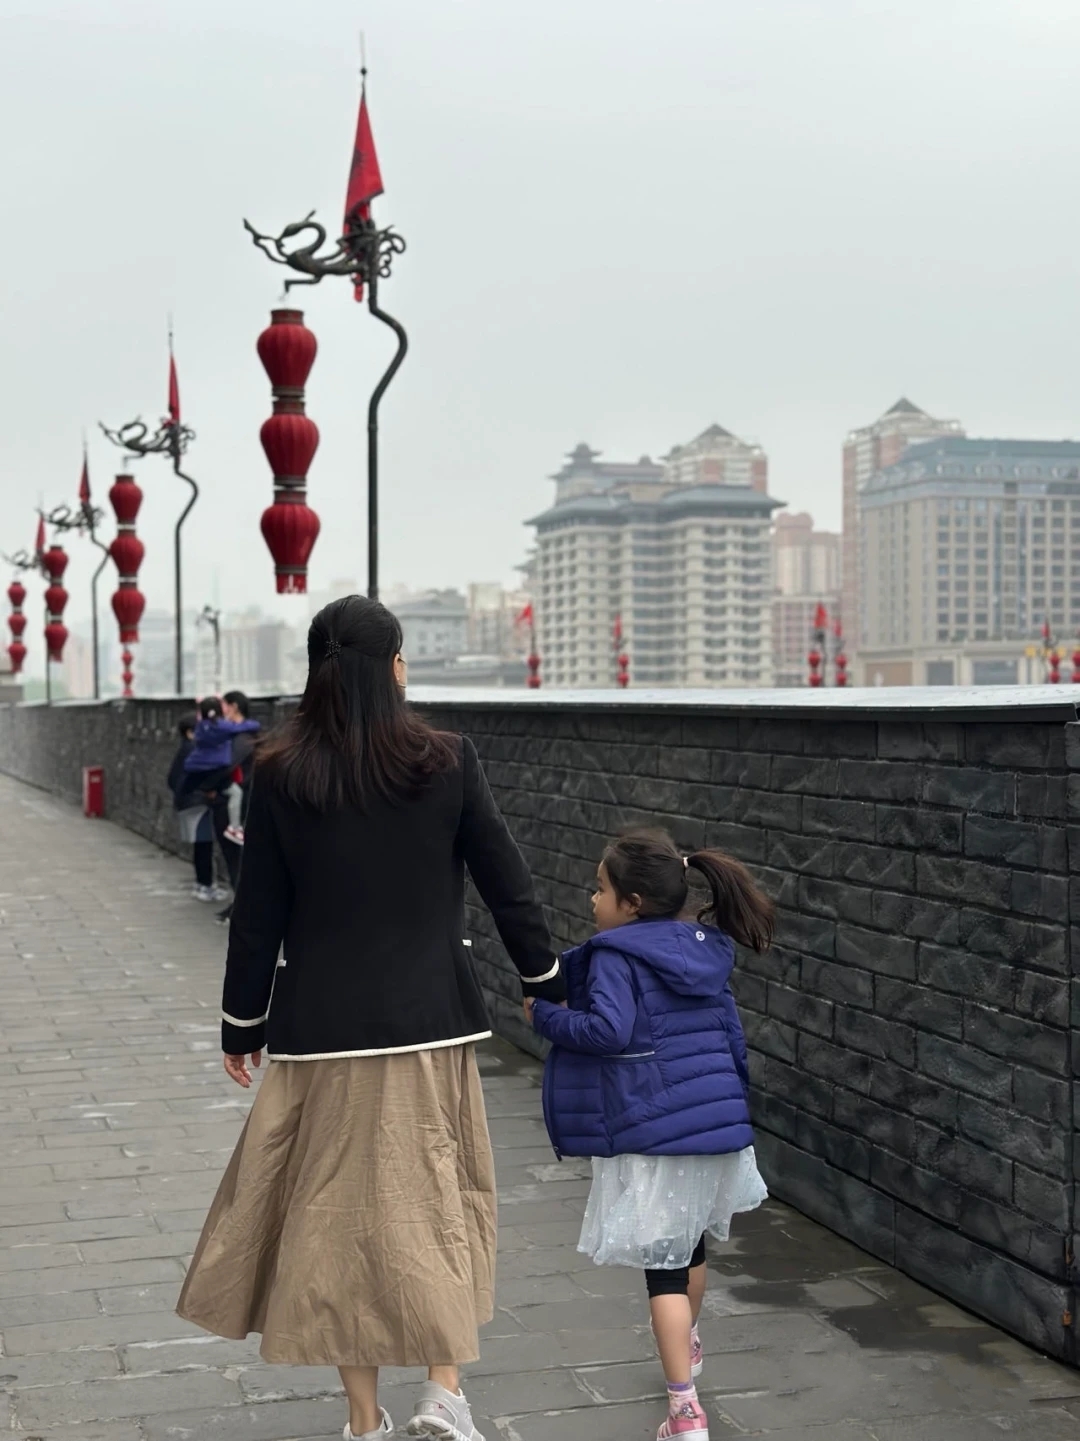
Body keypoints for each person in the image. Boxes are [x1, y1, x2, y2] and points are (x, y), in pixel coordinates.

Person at [177, 594, 565, 1441]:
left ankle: (363, 1419)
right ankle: (444, 1389)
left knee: (338, 1221)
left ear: (317, 673)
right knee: (434, 1199)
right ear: (394, 666)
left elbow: (259, 912)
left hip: (321, 1031)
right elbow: (509, 880)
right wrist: (543, 977)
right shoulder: (447, 759)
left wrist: (241, 1023)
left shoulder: (280, 772)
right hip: (429, 1023)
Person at [528, 828, 773, 1441]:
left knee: (661, 1269)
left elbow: (608, 1032)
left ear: (632, 903)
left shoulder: (617, 955)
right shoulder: (706, 951)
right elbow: (734, 1039)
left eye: (601, 888)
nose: (592, 899)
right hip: (713, 1126)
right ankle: (685, 1342)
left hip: (652, 1127)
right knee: (689, 1247)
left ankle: (684, 1411)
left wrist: (547, 1017)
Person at [166, 714, 228, 903]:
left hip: (188, 804)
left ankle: (202, 884)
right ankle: (205, 886)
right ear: (190, 732)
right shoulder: (194, 750)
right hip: (197, 804)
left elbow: (171, 779)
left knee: (200, 845)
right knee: (204, 845)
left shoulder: (184, 749)